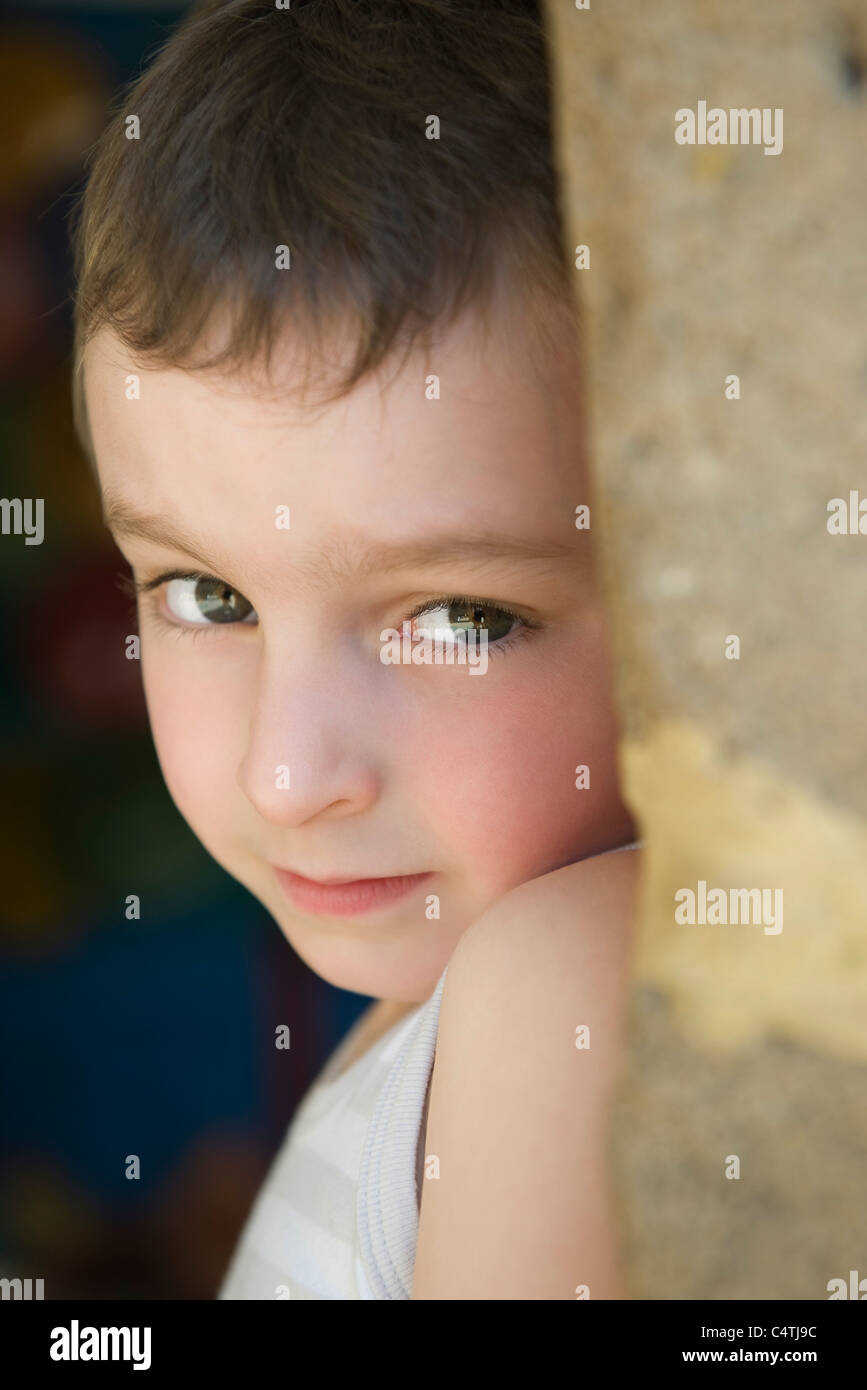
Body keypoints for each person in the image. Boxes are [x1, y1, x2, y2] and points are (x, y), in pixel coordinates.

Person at [70, 0, 640, 1299]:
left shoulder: (573, 986)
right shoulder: (462, 1013)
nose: (287, 775)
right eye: (207, 596)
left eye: (460, 619)